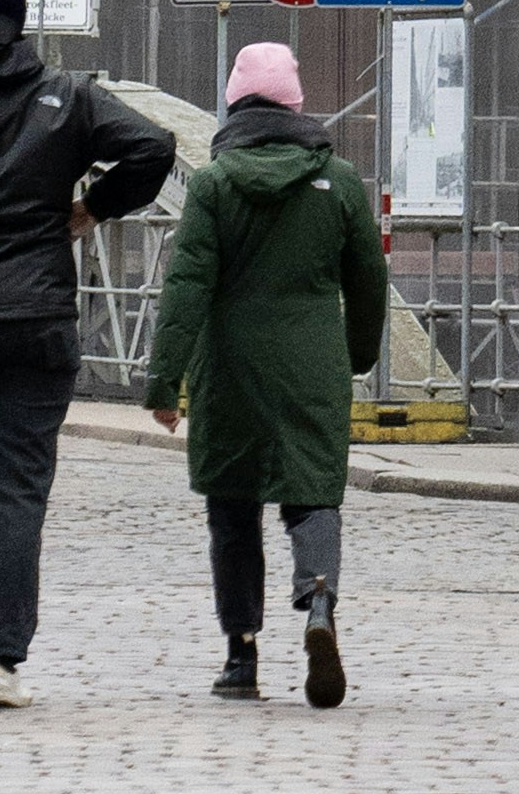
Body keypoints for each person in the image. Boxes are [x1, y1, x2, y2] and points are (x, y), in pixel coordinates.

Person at [143, 41, 390, 711]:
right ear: (295, 104)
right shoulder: (338, 181)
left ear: (234, 104)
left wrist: (164, 383)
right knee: (313, 492)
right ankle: (317, 603)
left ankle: (240, 655)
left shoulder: (214, 184)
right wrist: (358, 354)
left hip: (230, 369)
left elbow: (188, 284)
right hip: (312, 365)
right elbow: (369, 280)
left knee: (232, 505)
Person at [0, 0, 178, 709]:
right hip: (35, 316)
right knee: (14, 487)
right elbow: (154, 146)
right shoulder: (67, 97)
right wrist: (93, 205)